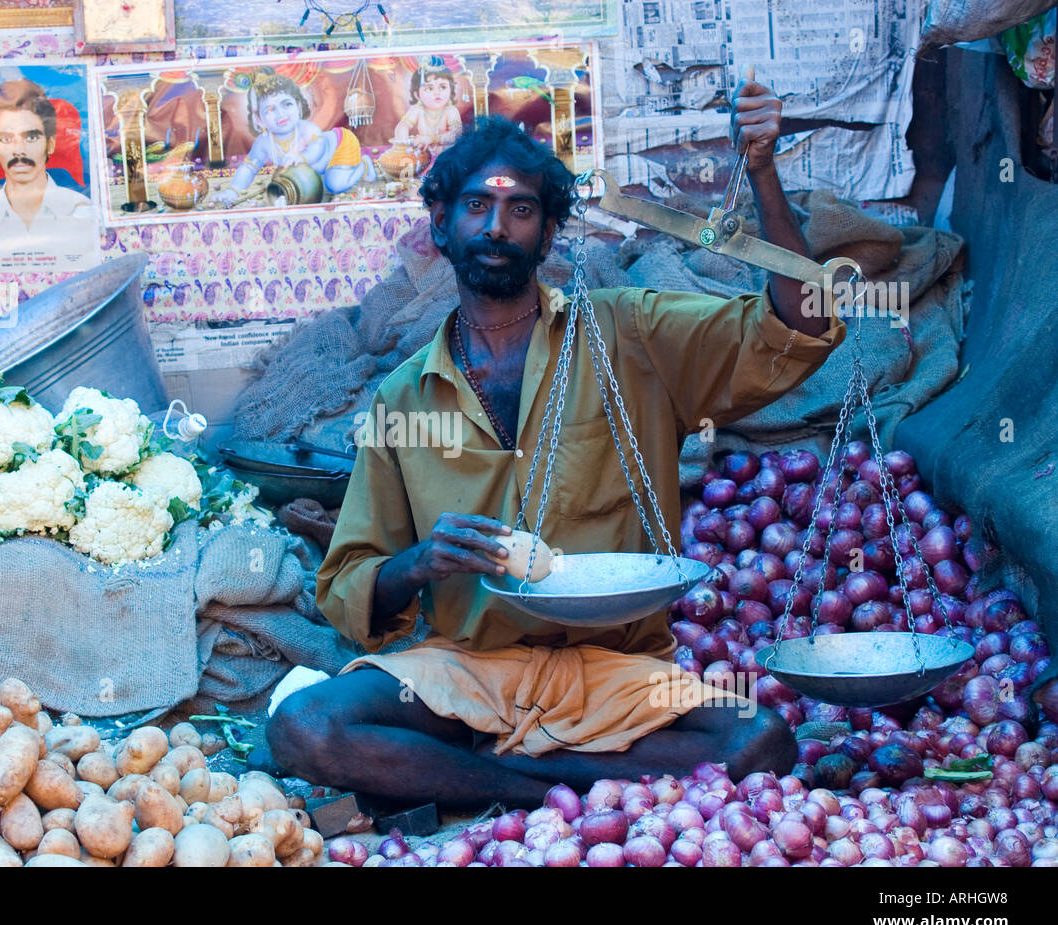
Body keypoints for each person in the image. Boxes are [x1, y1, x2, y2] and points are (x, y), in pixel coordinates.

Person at [266, 75, 847, 808]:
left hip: (613, 672)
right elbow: (350, 582)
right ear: (441, 224)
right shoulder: (405, 396)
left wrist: (763, 174)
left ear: (547, 231)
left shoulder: (629, 332)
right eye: (477, 206)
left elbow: (803, 325)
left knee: (758, 742)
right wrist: (419, 562)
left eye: (521, 209)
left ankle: (485, 782)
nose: (497, 227)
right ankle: (560, 790)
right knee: (305, 728)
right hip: (468, 671)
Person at [0, 79, 96, 271]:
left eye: (31, 137)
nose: (19, 151)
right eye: (6, 139)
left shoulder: (83, 211)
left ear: (50, 144)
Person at [216, 72, 376, 206]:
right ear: (259, 120)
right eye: (270, 110)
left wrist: (301, 157)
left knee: (334, 184)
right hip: (318, 169)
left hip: (340, 146)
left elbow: (318, 147)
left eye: (287, 104)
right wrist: (234, 190)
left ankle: (364, 166)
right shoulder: (264, 143)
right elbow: (248, 168)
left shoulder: (306, 129)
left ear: (299, 106)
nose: (281, 114)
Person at [393, 62, 463, 156]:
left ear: (451, 90)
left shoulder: (450, 110)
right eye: (429, 89)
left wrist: (432, 139)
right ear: (417, 95)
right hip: (423, 151)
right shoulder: (418, 109)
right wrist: (405, 142)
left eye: (443, 87)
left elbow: (456, 134)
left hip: (444, 154)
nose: (437, 92)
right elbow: (402, 127)